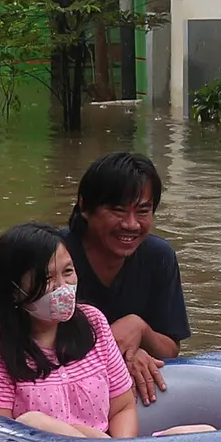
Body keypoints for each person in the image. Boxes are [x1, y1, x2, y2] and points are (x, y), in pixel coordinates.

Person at [0, 223, 137, 439]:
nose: (63, 287)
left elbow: (122, 407)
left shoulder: (93, 322)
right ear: (15, 291)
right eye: (47, 279)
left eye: (68, 272)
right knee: (33, 421)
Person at [64, 151, 189, 404]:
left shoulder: (159, 257)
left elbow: (171, 350)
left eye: (143, 211)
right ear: (84, 206)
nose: (131, 224)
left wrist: (141, 331)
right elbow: (27, 342)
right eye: (118, 211)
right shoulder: (53, 256)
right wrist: (117, 353)